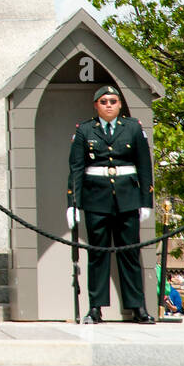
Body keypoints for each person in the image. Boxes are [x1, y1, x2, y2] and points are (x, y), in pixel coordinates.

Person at [66, 83, 155, 323]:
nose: (108, 105)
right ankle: (95, 308)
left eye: (112, 101)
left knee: (129, 254)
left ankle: (138, 307)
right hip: (96, 199)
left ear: (120, 104)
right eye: (103, 102)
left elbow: (145, 166)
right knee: (98, 255)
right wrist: (72, 202)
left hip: (127, 198)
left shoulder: (133, 128)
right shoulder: (85, 130)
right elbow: (76, 168)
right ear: (96, 105)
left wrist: (146, 201)